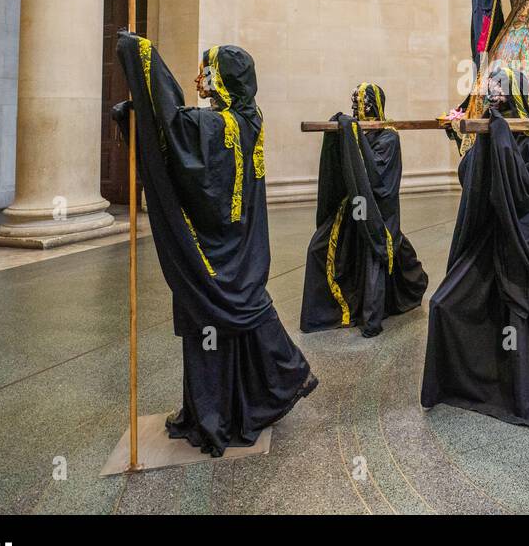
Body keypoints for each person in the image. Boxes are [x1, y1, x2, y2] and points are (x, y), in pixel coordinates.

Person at [112, 34, 317, 456]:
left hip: (214, 249)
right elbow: (181, 131)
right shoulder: (248, 117)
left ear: (223, 78)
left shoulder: (218, 125)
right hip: (242, 246)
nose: (197, 78)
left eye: (205, 72)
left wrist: (140, 54)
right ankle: (238, 404)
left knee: (210, 318)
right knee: (228, 319)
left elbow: (173, 126)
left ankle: (217, 414)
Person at [421, 68, 529, 426]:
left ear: (516, 94)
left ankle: (515, 389)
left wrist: (502, 139)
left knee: (512, 318)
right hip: (487, 243)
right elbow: (470, 177)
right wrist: (489, 140)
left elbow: (528, 195)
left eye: (499, 91)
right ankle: (455, 384)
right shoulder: (488, 132)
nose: (493, 96)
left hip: (519, 256)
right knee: (442, 305)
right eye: (489, 91)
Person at [302, 83, 428, 338]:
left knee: (377, 253)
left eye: (359, 102)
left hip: (376, 213)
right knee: (319, 248)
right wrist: (346, 133)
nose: (355, 106)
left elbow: (376, 176)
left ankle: (374, 313)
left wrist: (352, 136)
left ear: (372, 104)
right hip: (352, 207)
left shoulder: (389, 136)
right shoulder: (360, 130)